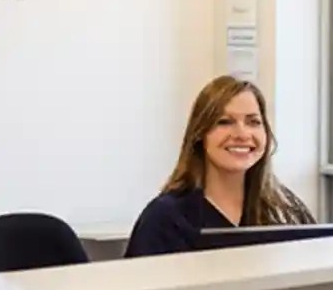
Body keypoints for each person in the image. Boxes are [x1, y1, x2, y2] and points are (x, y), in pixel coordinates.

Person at [124, 75, 315, 257]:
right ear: (200, 134)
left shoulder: (285, 211)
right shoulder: (165, 218)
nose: (242, 134)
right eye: (225, 122)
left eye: (253, 122)